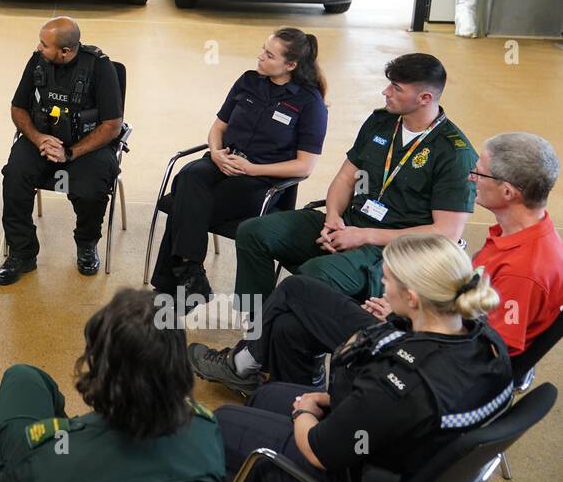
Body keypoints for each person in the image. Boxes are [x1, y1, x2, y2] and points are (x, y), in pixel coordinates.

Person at [191, 132, 563, 394]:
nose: (470, 177)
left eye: (479, 173)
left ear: (509, 192)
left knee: (296, 289)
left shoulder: (524, 270)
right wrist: (416, 310)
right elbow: (471, 317)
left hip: (424, 357)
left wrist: (412, 320)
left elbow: (488, 355)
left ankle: (247, 363)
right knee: (289, 325)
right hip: (424, 330)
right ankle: (296, 398)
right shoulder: (516, 236)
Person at [215, 233, 513, 482]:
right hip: (402, 448)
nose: (382, 282)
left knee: (220, 423)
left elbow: (318, 451)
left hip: (349, 472)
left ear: (412, 297)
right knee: (266, 394)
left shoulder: (399, 384)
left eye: (388, 278)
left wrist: (302, 412)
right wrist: (333, 401)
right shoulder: (485, 339)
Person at [233, 53, 477, 306]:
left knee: (312, 277)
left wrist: (365, 236)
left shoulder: (454, 153)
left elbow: (446, 233)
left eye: (396, 88)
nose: (386, 92)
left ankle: (277, 340)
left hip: (392, 252)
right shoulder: (381, 122)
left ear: (424, 98)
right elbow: (346, 177)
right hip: (349, 225)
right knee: (253, 232)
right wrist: (333, 218)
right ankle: (256, 328)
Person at [0, 288, 225, 482]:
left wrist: (75, 435)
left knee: (23, 378)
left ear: (102, 369)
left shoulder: (47, 457)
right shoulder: (206, 433)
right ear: (179, 367)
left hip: (62, 457)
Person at [150, 28, 328, 300]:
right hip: (223, 160)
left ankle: (172, 286)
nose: (260, 57)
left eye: (269, 55)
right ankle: (191, 273)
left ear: (290, 65)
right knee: (188, 176)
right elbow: (218, 127)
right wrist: (216, 152)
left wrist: (252, 169)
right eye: (262, 50)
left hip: (260, 179)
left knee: (182, 206)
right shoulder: (248, 81)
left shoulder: (309, 103)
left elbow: (304, 166)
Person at [0, 16, 123, 285]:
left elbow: (112, 125)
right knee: (15, 176)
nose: (38, 47)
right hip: (43, 139)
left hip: (86, 147)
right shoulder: (37, 61)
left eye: (44, 44)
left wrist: (71, 153)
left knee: (90, 189)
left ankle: (86, 243)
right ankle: (22, 252)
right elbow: (18, 107)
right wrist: (39, 138)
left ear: (65, 51)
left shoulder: (100, 67)